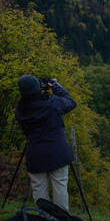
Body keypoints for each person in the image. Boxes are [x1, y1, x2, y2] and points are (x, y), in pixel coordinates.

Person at [15, 75, 76, 212]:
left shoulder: (20, 111)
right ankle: (62, 220)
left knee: (38, 188)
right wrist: (55, 87)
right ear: (38, 89)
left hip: (35, 153)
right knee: (59, 186)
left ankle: (43, 218)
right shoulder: (52, 104)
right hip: (58, 152)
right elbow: (70, 102)